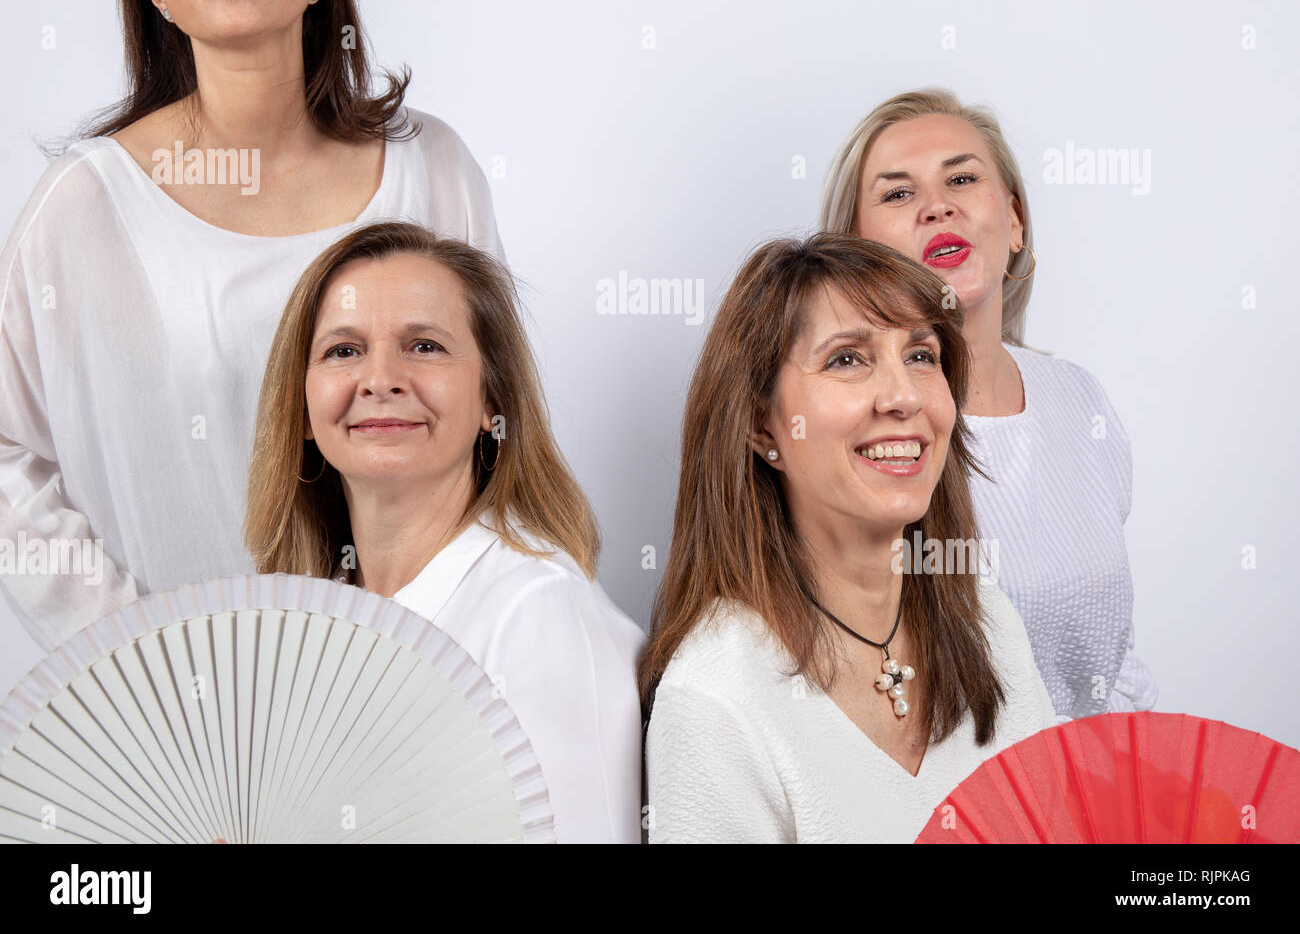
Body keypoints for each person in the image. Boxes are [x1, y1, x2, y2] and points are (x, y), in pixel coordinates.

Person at [0, 0, 500, 652]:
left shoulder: (431, 167)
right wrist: (127, 641)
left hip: (416, 666)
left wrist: (484, 619)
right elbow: (8, 451)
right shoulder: (86, 205)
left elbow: (498, 409)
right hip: (184, 702)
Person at [641, 234, 1056, 843]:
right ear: (762, 426)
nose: (904, 397)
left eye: (922, 355)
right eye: (847, 359)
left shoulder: (989, 625)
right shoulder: (714, 698)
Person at [246, 220, 644, 843]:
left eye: (424, 346)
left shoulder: (539, 616)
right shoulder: (299, 625)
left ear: (493, 400)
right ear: (300, 406)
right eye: (343, 351)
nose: (380, 379)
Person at [820, 88, 1157, 721]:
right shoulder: (865, 436)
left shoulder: (1079, 398)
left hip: (1108, 797)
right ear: (854, 251)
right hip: (966, 812)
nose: (937, 207)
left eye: (963, 179)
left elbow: (1116, 657)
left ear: (1014, 219)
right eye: (897, 194)